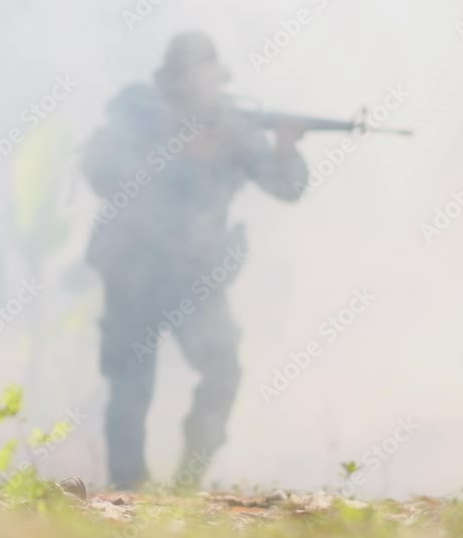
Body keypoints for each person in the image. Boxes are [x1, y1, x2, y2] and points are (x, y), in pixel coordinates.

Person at [83, 31, 310, 489]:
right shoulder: (138, 114)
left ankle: (187, 483)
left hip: (197, 277)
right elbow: (101, 170)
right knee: (130, 384)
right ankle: (126, 491)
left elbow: (286, 187)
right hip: (134, 271)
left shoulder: (230, 125)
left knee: (223, 370)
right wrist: (174, 150)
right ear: (173, 77)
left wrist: (285, 145)